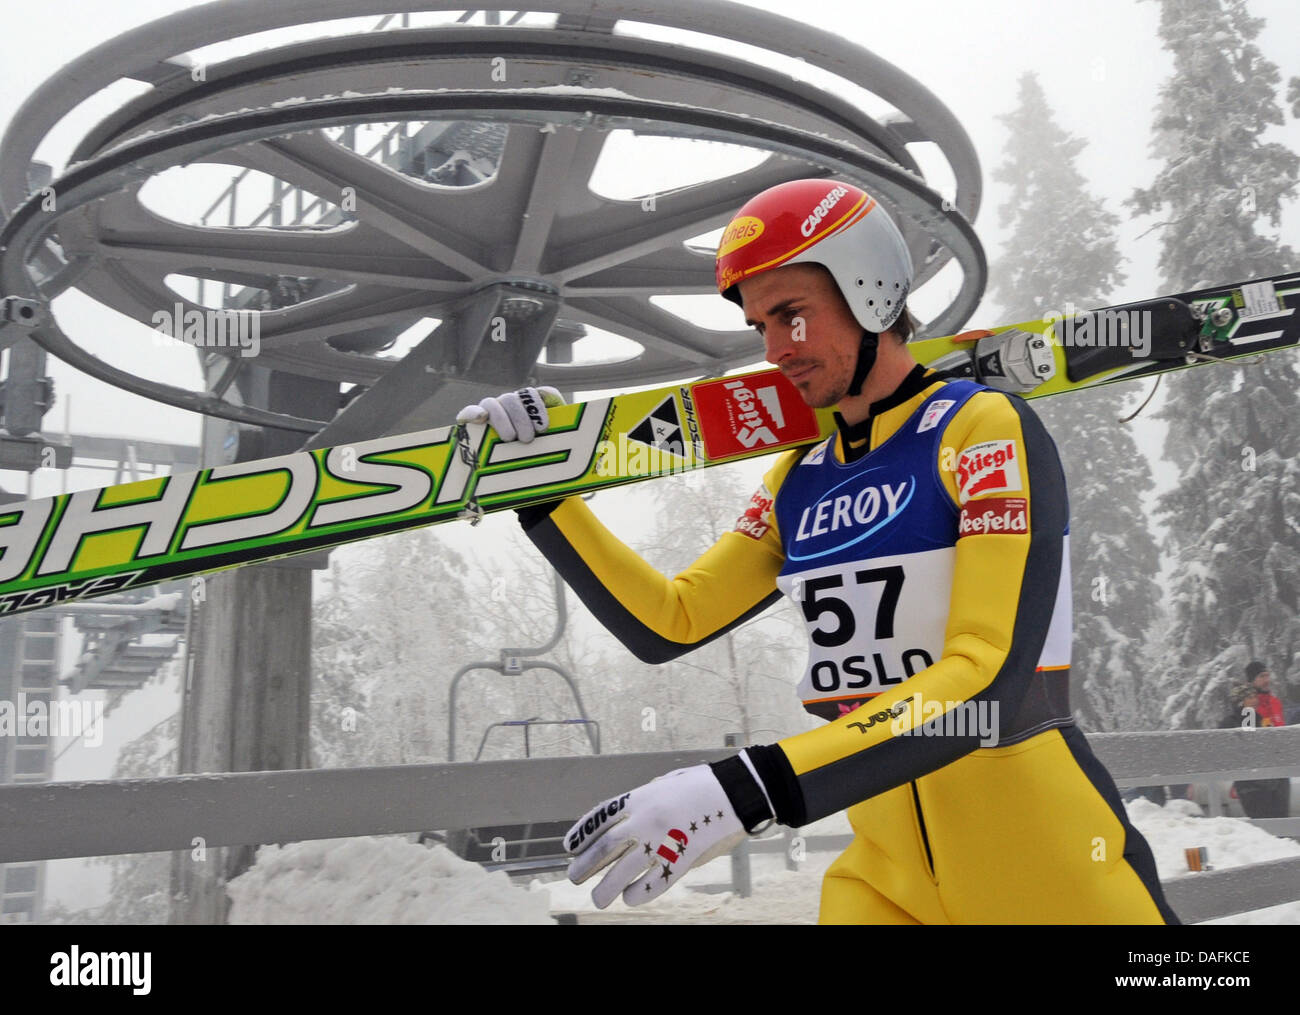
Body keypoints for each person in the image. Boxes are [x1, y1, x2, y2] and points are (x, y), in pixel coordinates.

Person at [462, 178, 1177, 923]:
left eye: (790, 316)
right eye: (759, 325)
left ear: (870, 291)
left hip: (1043, 860)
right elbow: (671, 620)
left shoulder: (980, 428)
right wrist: (543, 491)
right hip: (885, 872)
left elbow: (986, 676)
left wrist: (752, 786)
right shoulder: (799, 480)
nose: (773, 349)